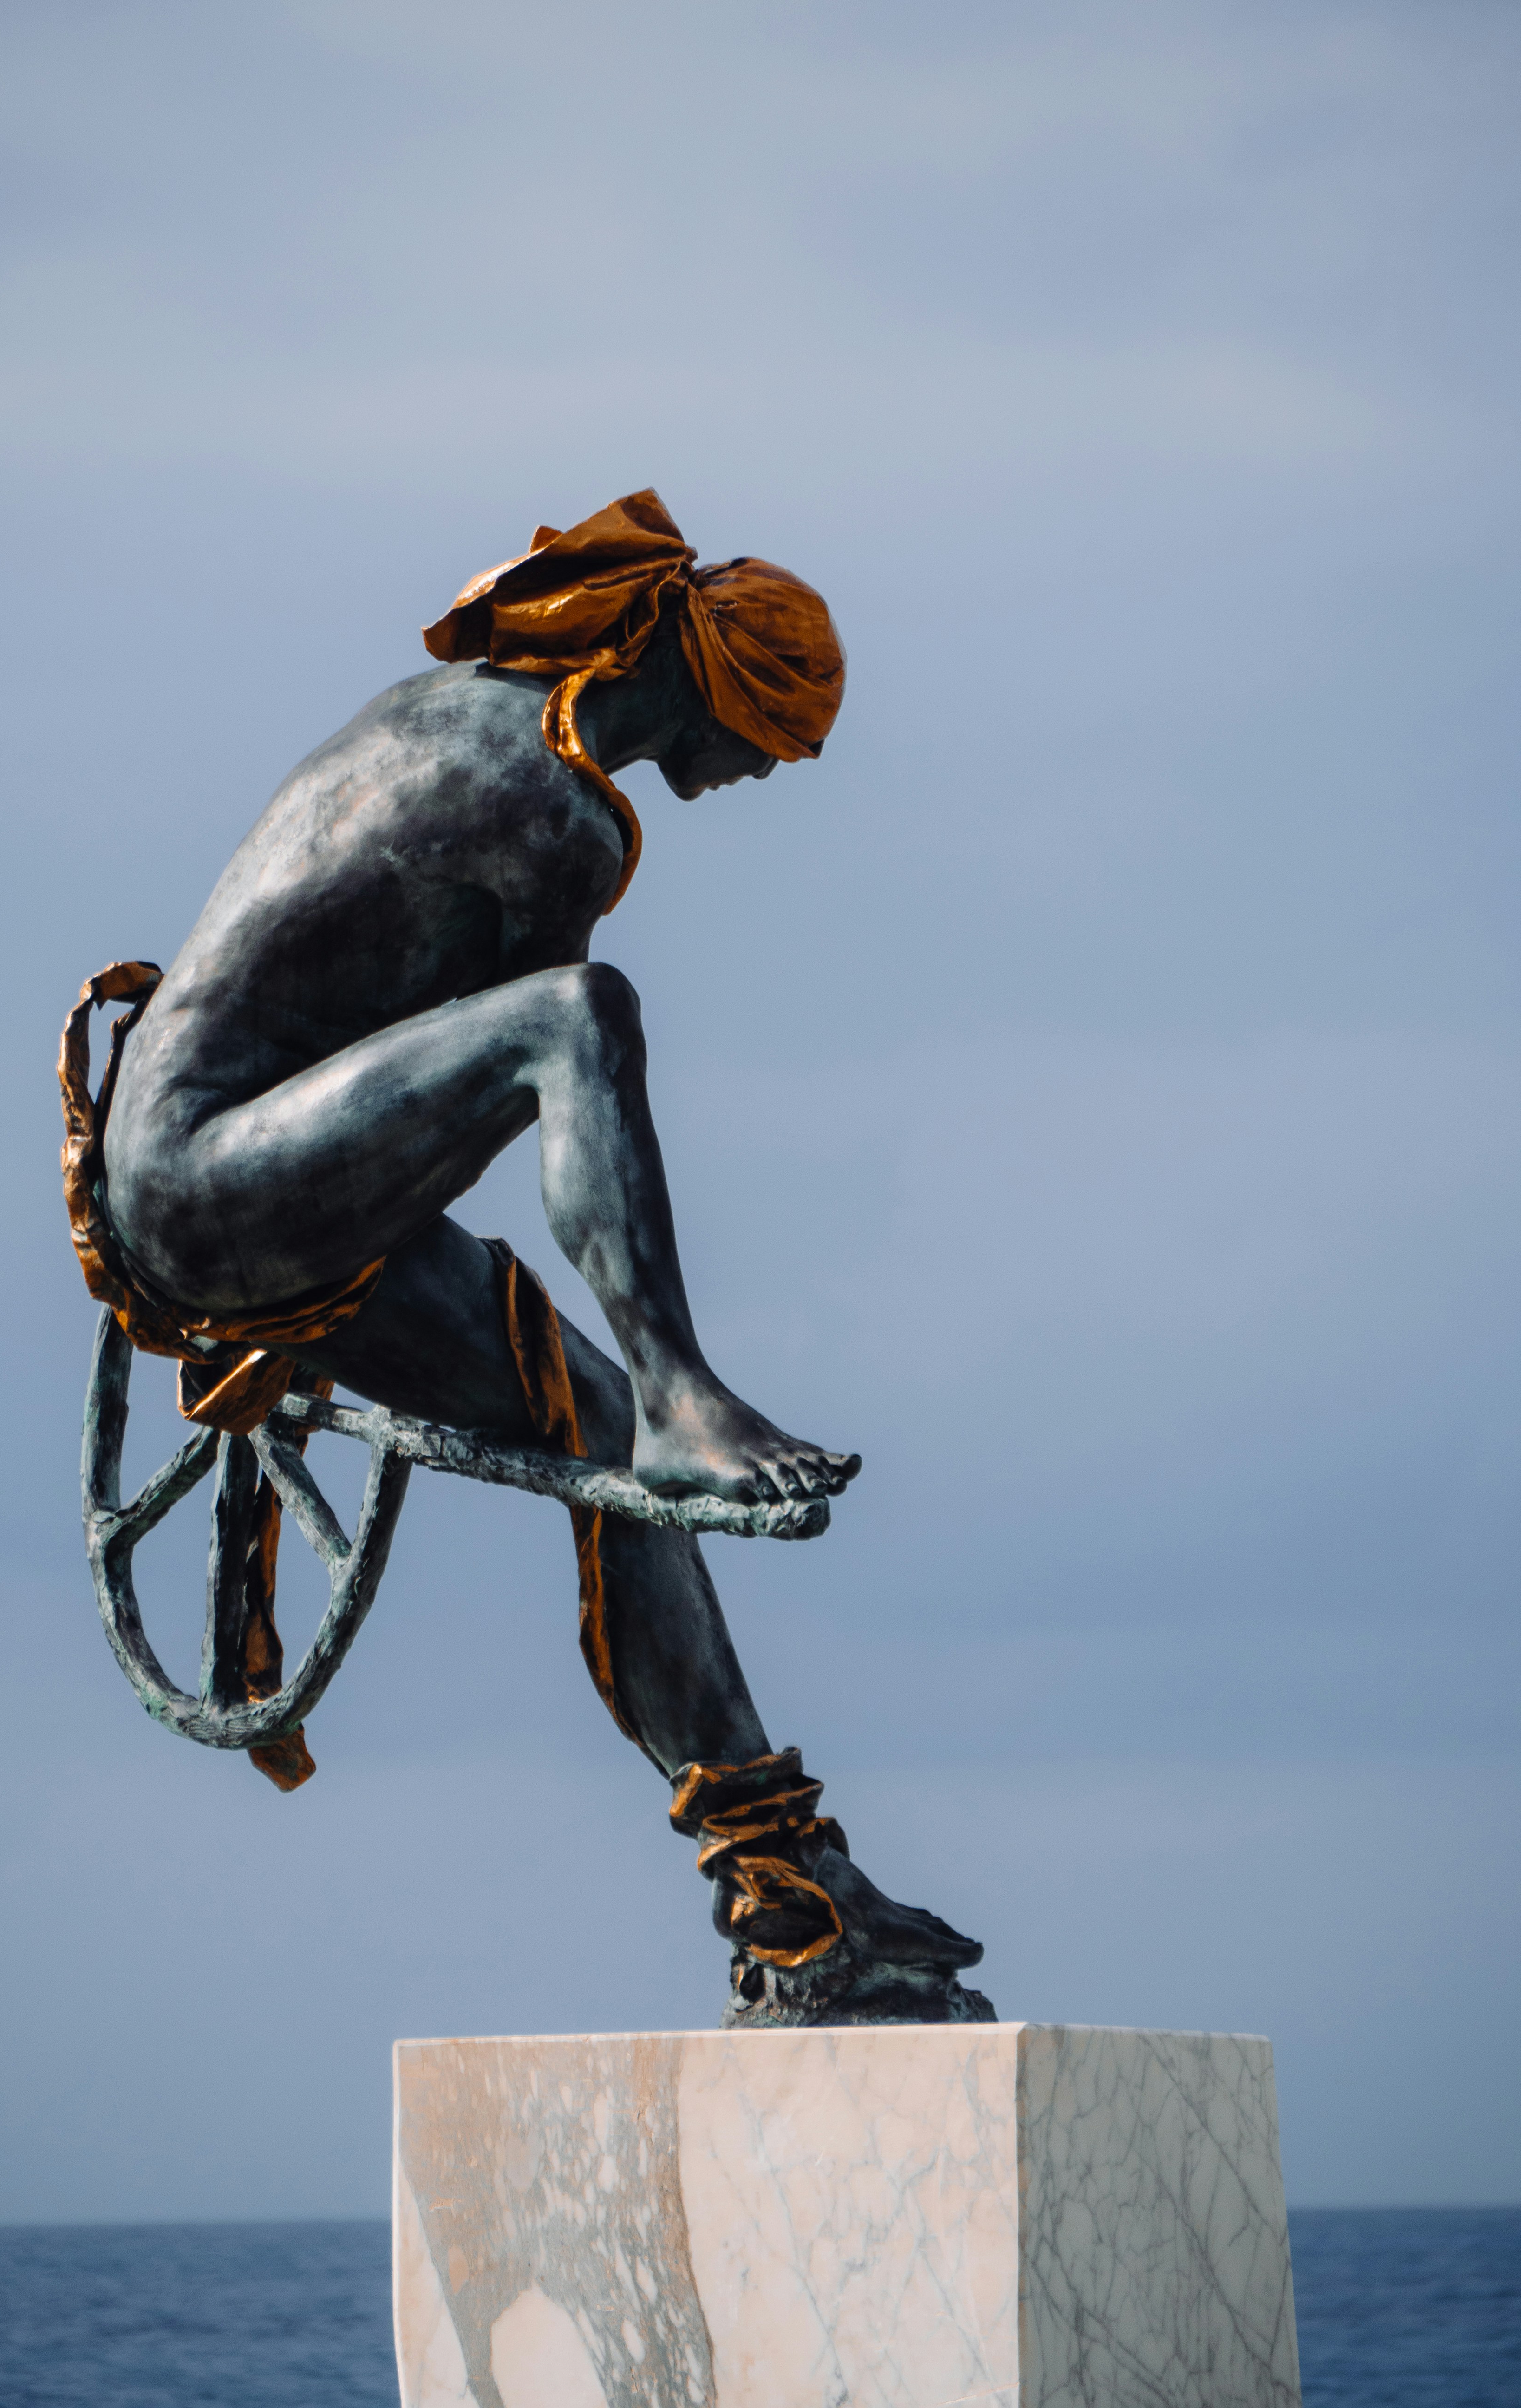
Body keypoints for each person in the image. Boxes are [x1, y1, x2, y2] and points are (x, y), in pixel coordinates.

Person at [88, 490, 992, 2023]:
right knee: (581, 1021)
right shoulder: (544, 807)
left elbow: (395, 1049)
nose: (765, 776)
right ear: (716, 686)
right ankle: (687, 1390)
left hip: (275, 1187)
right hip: (211, 1185)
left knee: (607, 1447)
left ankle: (786, 1884)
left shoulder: (471, 713)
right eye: (776, 738)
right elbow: (530, 1078)